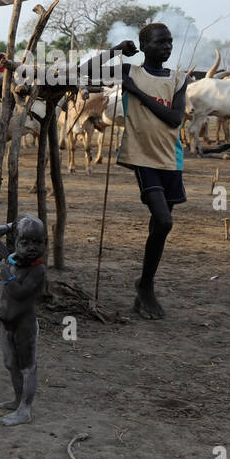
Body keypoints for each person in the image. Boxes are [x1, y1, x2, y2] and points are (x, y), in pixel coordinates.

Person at [80, 26, 195, 319]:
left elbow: (173, 119)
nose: (167, 46)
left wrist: (137, 94)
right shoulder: (130, 72)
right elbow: (83, 71)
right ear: (144, 45)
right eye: (160, 42)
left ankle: (144, 287)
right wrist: (116, 50)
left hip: (172, 157)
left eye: (170, 41)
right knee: (164, 220)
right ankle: (145, 287)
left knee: (159, 227)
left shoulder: (178, 79)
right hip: (142, 157)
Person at [0, 216, 47, 427]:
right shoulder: (11, 258)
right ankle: (18, 400)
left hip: (24, 326)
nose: (31, 248)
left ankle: (25, 410)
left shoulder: (37, 269)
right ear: (15, 243)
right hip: (7, 325)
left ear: (45, 243)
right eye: (25, 242)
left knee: (27, 368)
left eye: (38, 243)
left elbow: (20, 294)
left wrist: (7, 276)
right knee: (11, 364)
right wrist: (13, 225)